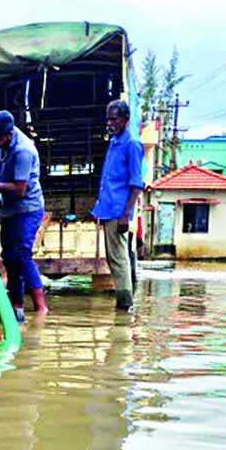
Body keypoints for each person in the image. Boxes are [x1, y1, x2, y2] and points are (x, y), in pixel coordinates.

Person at [0, 110, 49, 316]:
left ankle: (41, 306)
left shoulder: (23, 151)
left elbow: (19, 190)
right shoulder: (2, 138)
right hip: (10, 209)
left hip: (28, 208)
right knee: (8, 257)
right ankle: (16, 305)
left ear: (8, 135)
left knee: (22, 255)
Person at [92, 99, 144, 311]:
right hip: (108, 209)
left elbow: (136, 183)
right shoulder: (115, 142)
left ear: (125, 120)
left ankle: (125, 305)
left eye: (114, 119)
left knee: (119, 259)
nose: (110, 122)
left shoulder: (131, 144)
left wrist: (125, 215)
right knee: (115, 259)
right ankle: (124, 303)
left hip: (118, 211)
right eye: (108, 118)